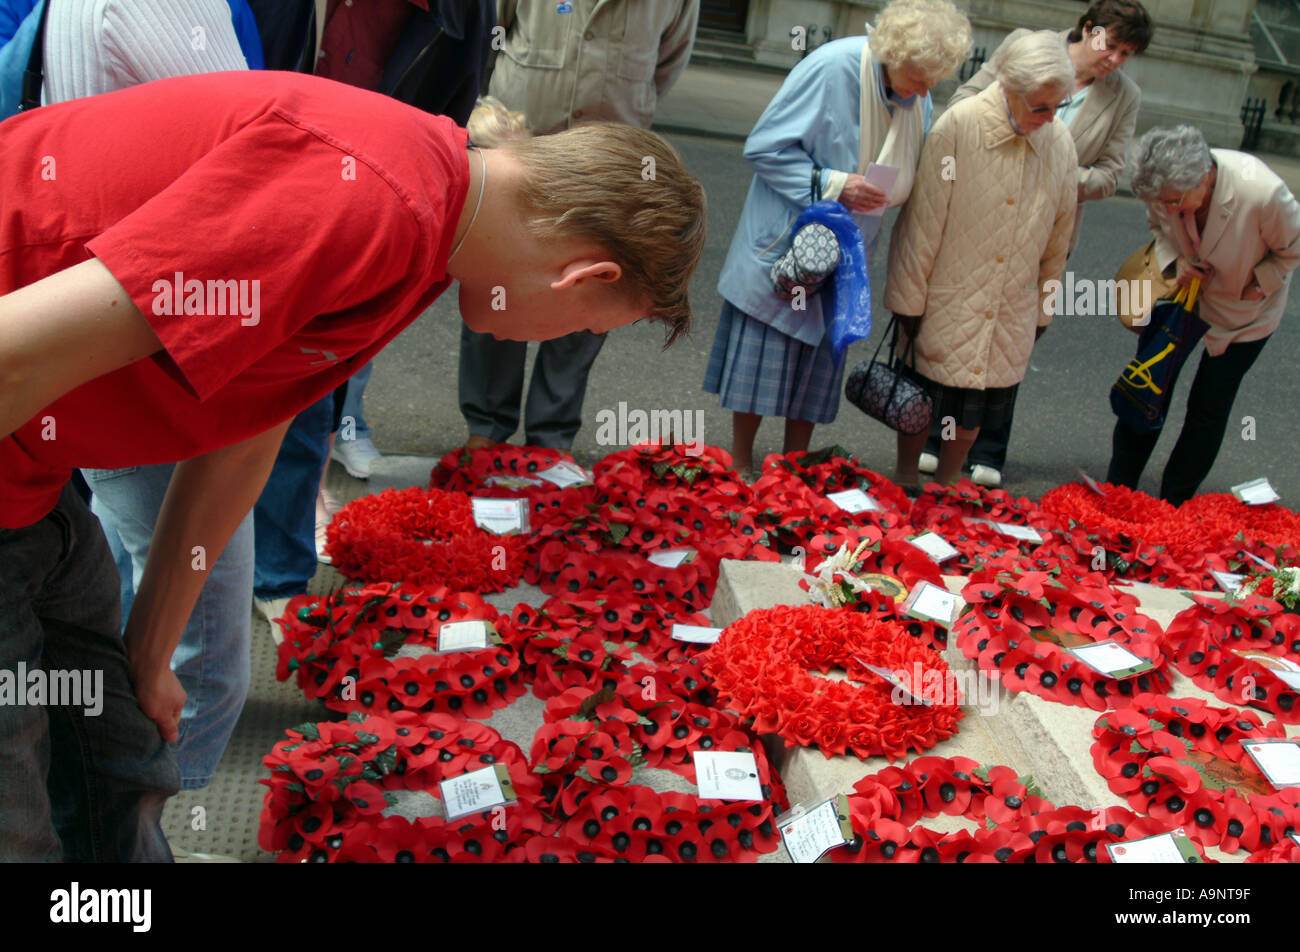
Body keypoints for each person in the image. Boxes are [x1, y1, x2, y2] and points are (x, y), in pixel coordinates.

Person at [0, 72, 705, 861]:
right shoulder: (368, 201)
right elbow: (10, 357)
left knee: (117, 754)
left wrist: (151, 651)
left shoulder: (437, 234)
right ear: (585, 276)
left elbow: (253, 419)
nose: (551, 341)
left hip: (33, 482)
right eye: (580, 327)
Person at [19, 0, 259, 798]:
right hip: (148, 358)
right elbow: (252, 192)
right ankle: (159, 814)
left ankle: (127, 808)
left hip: (124, 357)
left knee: (124, 593)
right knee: (205, 628)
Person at [704, 0, 971, 476]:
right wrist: (835, 183)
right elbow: (764, 146)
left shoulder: (916, 91)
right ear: (893, 52)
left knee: (814, 369)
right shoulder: (831, 67)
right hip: (792, 244)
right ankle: (740, 464)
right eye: (922, 76)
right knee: (765, 358)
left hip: (846, 255)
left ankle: (792, 467)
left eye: (936, 79)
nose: (928, 90)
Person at [918, 0, 1153, 488]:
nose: (1115, 58)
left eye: (1127, 53)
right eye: (1111, 43)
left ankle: (988, 450)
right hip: (979, 212)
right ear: (1088, 30)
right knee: (952, 323)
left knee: (1013, 338)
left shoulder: (1122, 96)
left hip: (1045, 227)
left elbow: (1111, 176)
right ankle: (931, 439)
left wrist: (1056, 175)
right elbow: (965, 101)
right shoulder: (1027, 43)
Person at [457, 0, 700, 453]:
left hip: (611, 172)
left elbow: (667, 61)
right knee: (497, 280)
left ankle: (551, 438)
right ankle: (486, 429)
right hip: (522, 141)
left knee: (589, 306)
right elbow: (492, 28)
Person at [885, 29, 1078, 489]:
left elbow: (1059, 239)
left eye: (1059, 107)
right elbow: (921, 225)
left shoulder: (1060, 144)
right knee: (922, 401)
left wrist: (1045, 306)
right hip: (949, 294)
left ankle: (949, 483)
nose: (1051, 119)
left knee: (977, 405)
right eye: (1040, 107)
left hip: (1010, 302)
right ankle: (904, 477)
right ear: (1010, 87)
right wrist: (909, 303)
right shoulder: (960, 125)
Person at [1106, 125, 1300, 504]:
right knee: (1149, 387)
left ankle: (1174, 499)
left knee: (1209, 405)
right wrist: (1177, 264)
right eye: (1161, 201)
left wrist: (1258, 282)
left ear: (1206, 178)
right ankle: (1119, 487)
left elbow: (1292, 250)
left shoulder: (1262, 192)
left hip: (1245, 311)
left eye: (1176, 201)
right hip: (1183, 297)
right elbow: (1159, 230)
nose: (1169, 208)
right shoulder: (1165, 187)